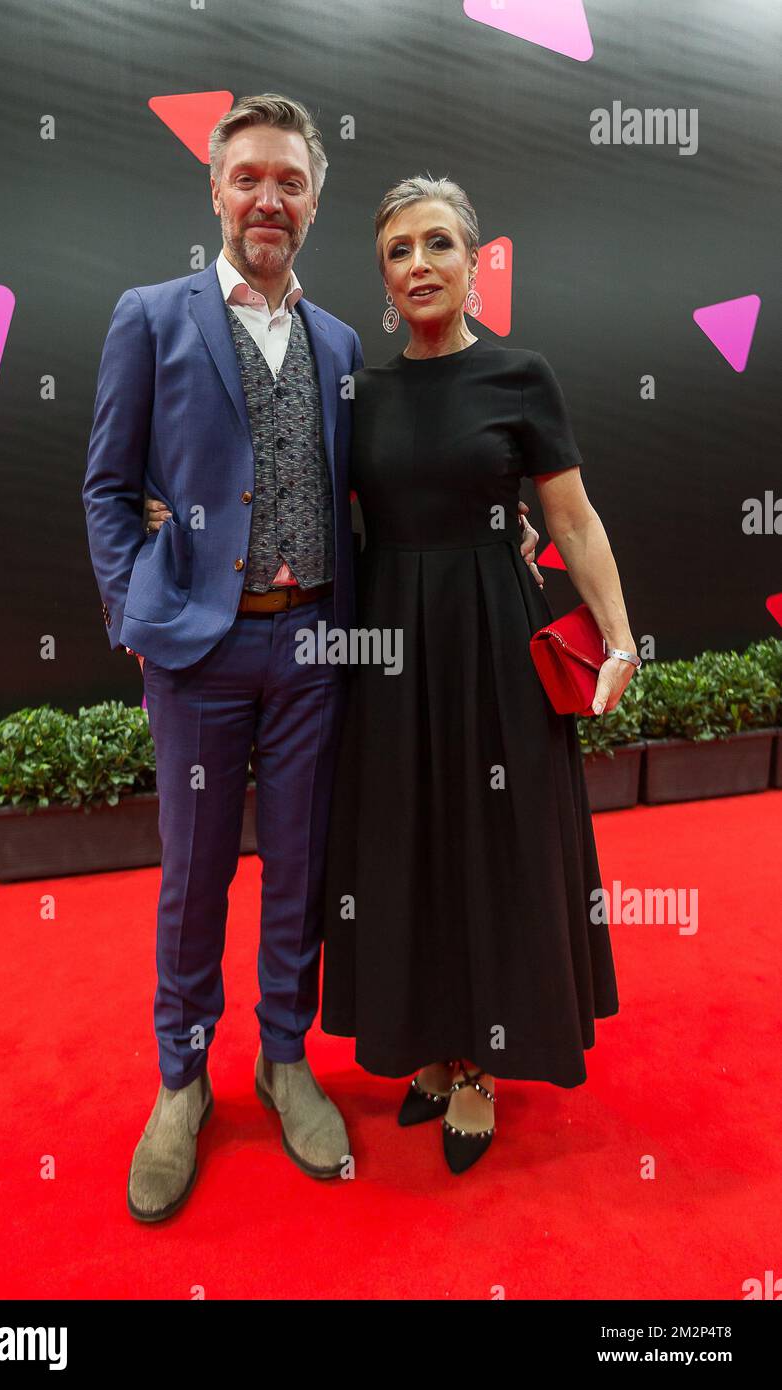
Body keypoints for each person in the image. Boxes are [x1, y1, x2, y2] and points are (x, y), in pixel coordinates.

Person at [83, 94, 372, 1222]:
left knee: (299, 867)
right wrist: (132, 613)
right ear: (214, 188)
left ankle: (284, 1058)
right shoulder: (150, 316)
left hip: (311, 643)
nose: (268, 197)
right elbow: (108, 487)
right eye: (247, 175)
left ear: (311, 201)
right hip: (197, 656)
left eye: (288, 181)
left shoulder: (341, 341)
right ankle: (181, 1078)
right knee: (194, 873)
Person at [318, 175, 639, 1173]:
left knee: (487, 833)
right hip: (386, 642)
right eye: (397, 254)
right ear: (384, 278)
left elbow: (571, 519)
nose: (417, 266)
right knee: (404, 834)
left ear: (471, 263)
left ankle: (479, 1063)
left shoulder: (519, 376)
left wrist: (619, 635)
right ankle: (425, 1038)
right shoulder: (358, 390)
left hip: (491, 635)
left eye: (435, 246)